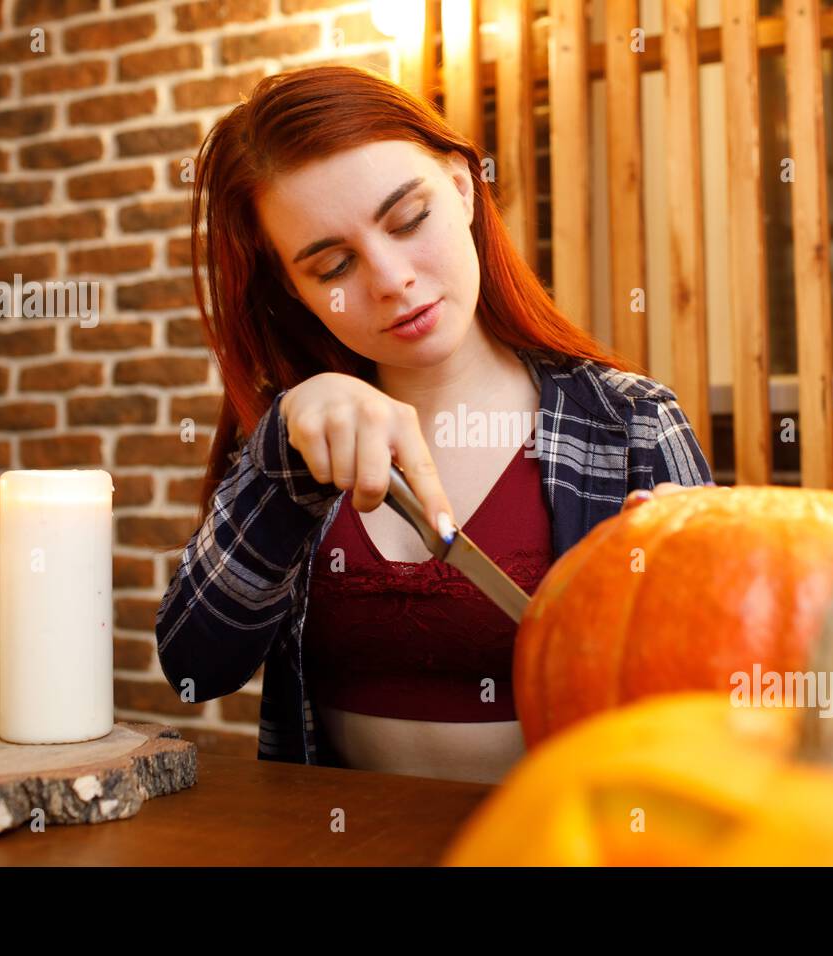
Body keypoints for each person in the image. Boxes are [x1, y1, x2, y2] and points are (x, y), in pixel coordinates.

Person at [155, 65, 713, 784]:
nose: (390, 279)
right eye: (332, 265)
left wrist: (680, 588)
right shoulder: (297, 436)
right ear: (293, 292)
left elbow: (711, 720)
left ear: (460, 186)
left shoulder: (631, 421)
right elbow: (196, 666)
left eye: (408, 220)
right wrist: (283, 462)